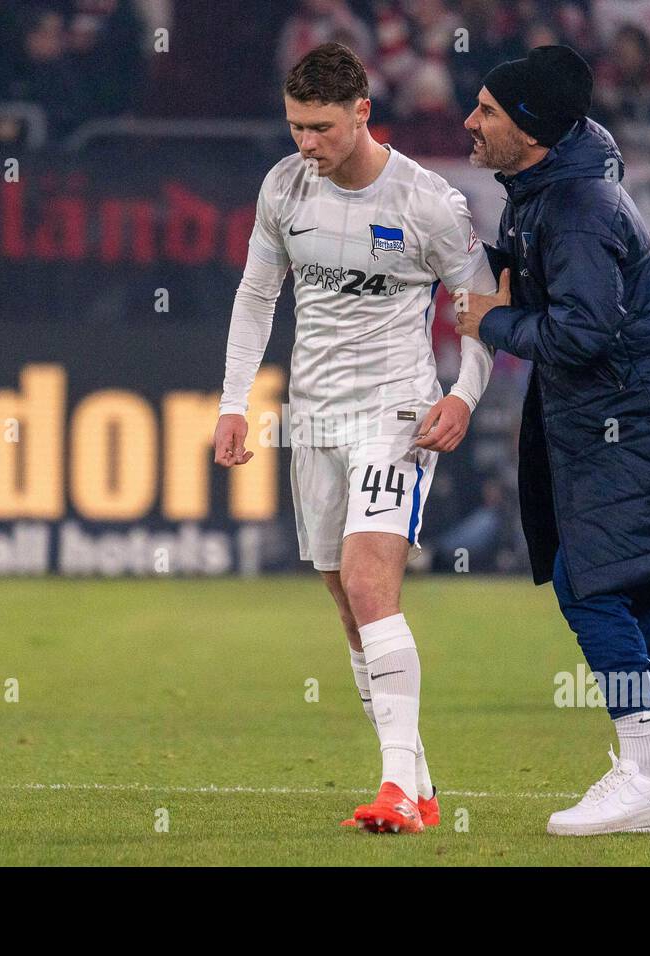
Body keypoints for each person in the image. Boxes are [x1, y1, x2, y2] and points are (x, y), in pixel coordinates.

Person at [455, 46, 650, 836]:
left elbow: (586, 330)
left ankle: (643, 768)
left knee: (586, 583)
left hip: (638, 428)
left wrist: (490, 321)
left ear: (530, 128)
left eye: (487, 110)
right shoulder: (550, 191)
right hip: (642, 422)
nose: (469, 121)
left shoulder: (577, 203)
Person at [213, 42, 497, 834]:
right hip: (313, 417)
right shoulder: (283, 186)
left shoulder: (427, 201)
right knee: (347, 605)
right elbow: (256, 295)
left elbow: (480, 306)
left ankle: (396, 790)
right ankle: (421, 783)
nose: (307, 144)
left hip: (394, 410)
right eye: (297, 127)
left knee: (372, 585)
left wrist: (466, 396)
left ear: (364, 111)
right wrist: (235, 402)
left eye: (322, 128)